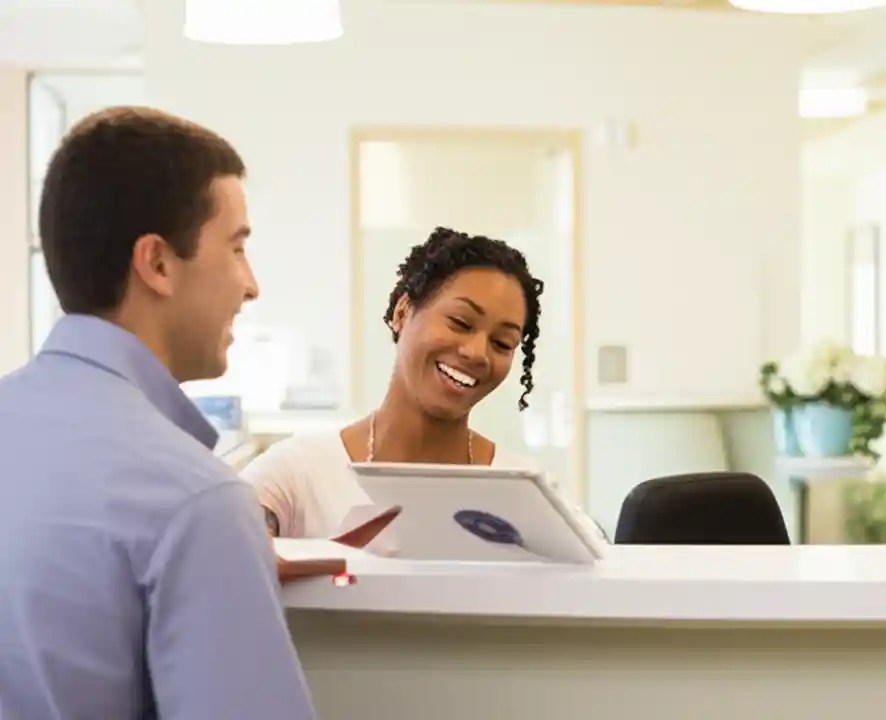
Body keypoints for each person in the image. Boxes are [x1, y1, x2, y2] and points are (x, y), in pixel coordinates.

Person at [0, 106, 331, 719]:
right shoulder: (192, 501)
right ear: (156, 263)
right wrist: (214, 553)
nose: (250, 284)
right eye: (236, 248)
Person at [243, 227, 602, 549]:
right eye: (461, 322)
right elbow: (219, 552)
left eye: (502, 343)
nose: (477, 353)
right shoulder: (298, 474)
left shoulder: (525, 493)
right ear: (402, 312)